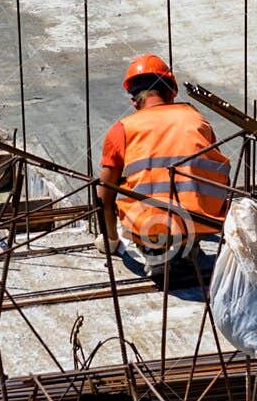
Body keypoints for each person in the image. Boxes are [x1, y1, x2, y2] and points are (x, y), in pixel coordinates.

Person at [95, 54, 232, 284]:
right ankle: (188, 247)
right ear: (172, 92)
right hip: (203, 221)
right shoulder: (198, 120)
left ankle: (157, 253)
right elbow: (216, 175)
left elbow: (103, 198)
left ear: (133, 101)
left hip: (152, 227)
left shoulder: (122, 129)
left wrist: (110, 240)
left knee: (131, 199)